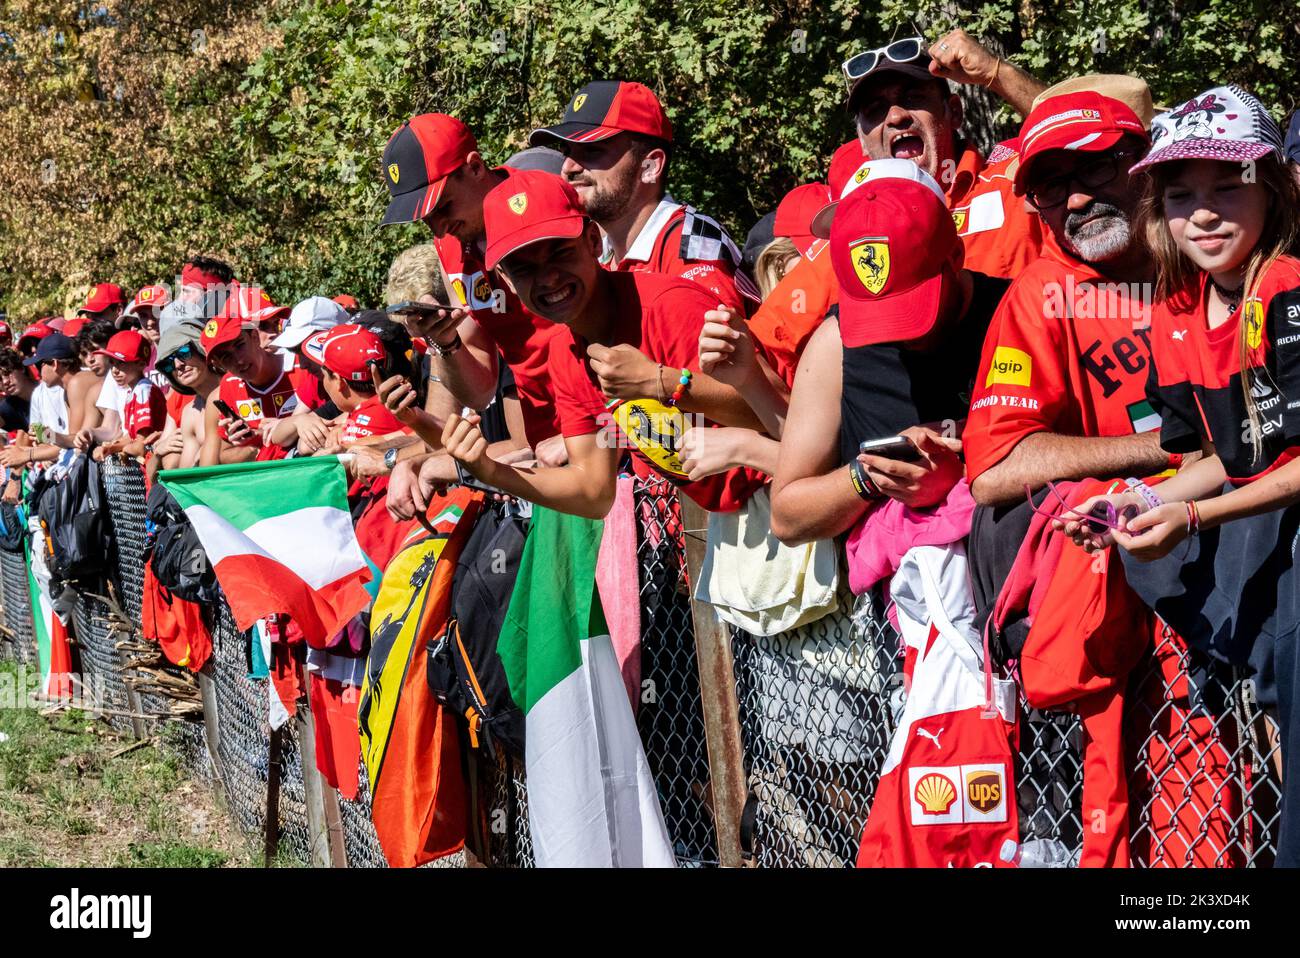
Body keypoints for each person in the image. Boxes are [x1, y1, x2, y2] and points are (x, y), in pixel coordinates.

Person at [1048, 86, 1300, 864]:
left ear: (1275, 187)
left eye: (1230, 186)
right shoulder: (1175, 306)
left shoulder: (1287, 287)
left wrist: (1189, 518)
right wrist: (1137, 499)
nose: (1207, 213)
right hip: (1257, 532)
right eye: (1183, 194)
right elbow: (1217, 458)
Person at [426, 170, 766, 519]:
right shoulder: (565, 351)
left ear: (592, 241)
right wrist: (489, 470)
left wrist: (662, 382)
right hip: (722, 525)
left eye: (559, 252)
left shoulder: (669, 307)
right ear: (507, 282)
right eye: (523, 269)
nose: (548, 278)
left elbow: (775, 412)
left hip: (776, 495)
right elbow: (593, 491)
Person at [748, 35, 1046, 387]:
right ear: (862, 142)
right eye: (875, 110)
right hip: (917, 428)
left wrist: (996, 73)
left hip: (1028, 402)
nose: (896, 117)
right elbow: (759, 350)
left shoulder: (1014, 179)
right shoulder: (855, 231)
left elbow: (1095, 128)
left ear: (954, 111)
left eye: (913, 98)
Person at [767, 162, 1007, 545]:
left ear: (956, 255)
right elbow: (787, 518)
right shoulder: (834, 342)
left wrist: (962, 466)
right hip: (900, 596)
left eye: (911, 307)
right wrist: (872, 475)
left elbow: (1074, 446)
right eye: (875, 313)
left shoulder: (1014, 313)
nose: (897, 334)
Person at [963, 86, 1171, 506]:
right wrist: (1165, 447)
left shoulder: (1210, 250)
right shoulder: (1039, 297)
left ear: (1144, 165)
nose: (1077, 199)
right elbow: (994, 467)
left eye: (1095, 167)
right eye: (1051, 186)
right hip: (1134, 536)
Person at [379, 113, 565, 462]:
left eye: (443, 206)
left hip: (607, 433)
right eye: (425, 217)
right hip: (548, 449)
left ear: (476, 167)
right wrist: (444, 340)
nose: (438, 228)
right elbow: (479, 392)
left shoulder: (546, 198)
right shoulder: (449, 246)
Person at [530, 80, 755, 311]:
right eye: (566, 152)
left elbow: (721, 344)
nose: (569, 167)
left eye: (592, 150)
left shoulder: (691, 245)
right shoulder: (598, 251)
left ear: (650, 167)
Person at [198, 301, 316, 466]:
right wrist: (255, 444)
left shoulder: (303, 366)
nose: (238, 360)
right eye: (226, 358)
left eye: (240, 346)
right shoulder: (229, 386)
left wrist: (283, 430)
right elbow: (224, 456)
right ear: (218, 365)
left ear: (254, 337)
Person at [75, 329, 167, 456]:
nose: (114, 370)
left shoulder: (143, 390)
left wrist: (118, 449)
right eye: (112, 363)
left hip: (153, 464)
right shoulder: (132, 390)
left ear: (140, 364)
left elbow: (140, 445)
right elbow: (130, 436)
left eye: (121, 363)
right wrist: (111, 448)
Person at [151, 320, 220, 471]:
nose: (177, 365)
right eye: (168, 363)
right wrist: (157, 454)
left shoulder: (237, 389)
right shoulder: (191, 412)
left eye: (183, 353)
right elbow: (184, 476)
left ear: (201, 349)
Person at [0, 348, 33, 431]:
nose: (5, 381)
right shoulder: (9, 405)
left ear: (21, 368)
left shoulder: (51, 392)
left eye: (7, 373)